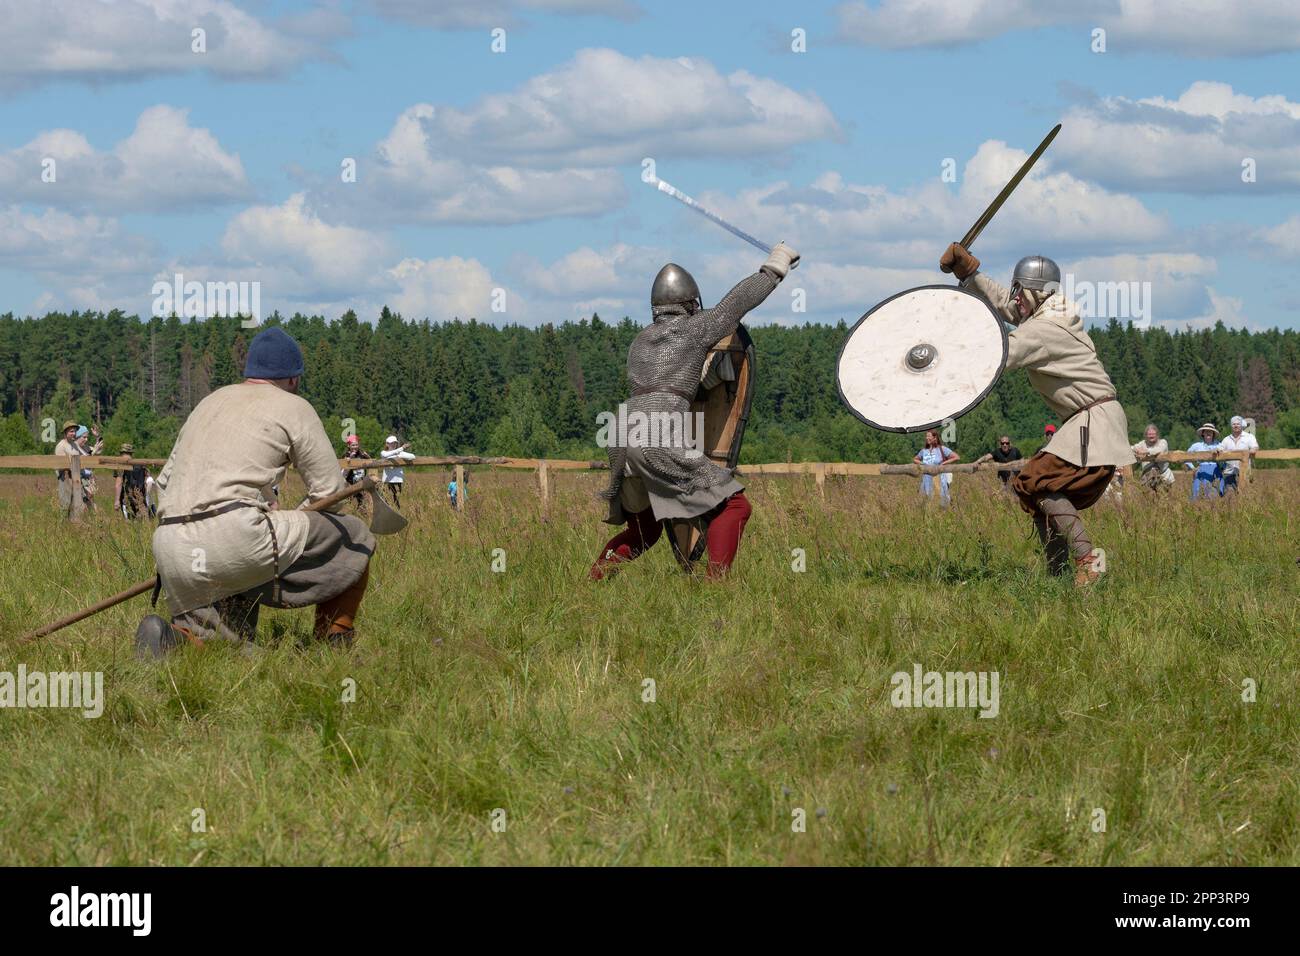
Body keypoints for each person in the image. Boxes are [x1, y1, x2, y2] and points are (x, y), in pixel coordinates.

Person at [133, 326, 375, 656]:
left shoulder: (209, 403)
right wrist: (281, 519)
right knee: (355, 534)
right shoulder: (294, 406)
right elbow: (328, 491)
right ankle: (333, 644)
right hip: (235, 539)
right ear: (293, 378)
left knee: (228, 650)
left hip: (171, 548)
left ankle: (173, 640)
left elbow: (165, 484)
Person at [591, 243, 800, 580]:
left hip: (619, 434)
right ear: (690, 304)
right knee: (734, 506)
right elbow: (738, 303)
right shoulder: (693, 328)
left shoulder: (640, 341)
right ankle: (715, 587)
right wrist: (776, 265)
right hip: (656, 436)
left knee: (644, 532)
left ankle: (592, 583)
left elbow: (671, 382)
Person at [941, 244, 1134, 585]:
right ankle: (1058, 574)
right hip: (1088, 421)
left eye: (1019, 290)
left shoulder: (1046, 330)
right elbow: (1009, 307)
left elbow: (999, 354)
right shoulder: (1048, 316)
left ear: (1033, 293)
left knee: (1035, 481)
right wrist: (970, 275)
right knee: (1035, 490)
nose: (1014, 298)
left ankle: (1089, 562)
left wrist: (945, 351)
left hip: (1092, 422)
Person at [915, 430, 959, 505]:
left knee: (941, 501)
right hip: (926, 480)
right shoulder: (924, 451)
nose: (927, 438)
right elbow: (915, 459)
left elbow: (956, 457)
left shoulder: (942, 449)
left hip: (939, 479)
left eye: (929, 436)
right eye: (926, 436)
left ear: (935, 438)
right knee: (927, 502)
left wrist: (943, 463)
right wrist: (923, 464)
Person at [1218, 415, 1258, 494]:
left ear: (1241, 425)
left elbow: (1255, 447)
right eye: (1233, 424)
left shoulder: (1249, 437)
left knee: (1245, 496)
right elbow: (1220, 448)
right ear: (1231, 426)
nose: (1236, 426)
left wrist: (1253, 450)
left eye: (1238, 424)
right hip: (1229, 472)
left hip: (1245, 472)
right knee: (1230, 496)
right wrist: (1217, 450)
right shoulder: (1226, 439)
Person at [113, 443, 154, 519]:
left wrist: (117, 501)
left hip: (127, 499)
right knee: (143, 522)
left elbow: (118, 483)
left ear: (121, 453)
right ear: (131, 453)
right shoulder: (140, 464)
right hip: (141, 497)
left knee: (129, 521)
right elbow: (149, 480)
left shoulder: (120, 465)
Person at [53, 420, 85, 517]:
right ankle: (63, 527)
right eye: (71, 431)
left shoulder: (74, 445)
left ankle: (74, 527)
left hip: (76, 479)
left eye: (74, 431)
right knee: (65, 506)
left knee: (76, 507)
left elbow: (80, 458)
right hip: (65, 479)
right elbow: (60, 466)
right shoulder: (61, 446)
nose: (73, 433)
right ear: (65, 432)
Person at [1186, 423, 1224, 500]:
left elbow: (1225, 458)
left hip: (1216, 470)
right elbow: (1186, 457)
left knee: (1216, 492)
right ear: (1203, 433)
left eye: (1210, 431)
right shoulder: (1196, 445)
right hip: (1201, 470)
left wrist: (1222, 467)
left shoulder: (1219, 445)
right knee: (1198, 492)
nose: (1208, 433)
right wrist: (1193, 468)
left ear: (1213, 434)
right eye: (1206, 431)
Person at [1131, 424, 1174, 491]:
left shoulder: (1163, 442)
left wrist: (1146, 451)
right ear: (1146, 435)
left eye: (1153, 434)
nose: (1151, 436)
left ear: (1157, 434)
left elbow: (1159, 450)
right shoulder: (1143, 443)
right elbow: (1133, 448)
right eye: (1149, 434)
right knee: (1148, 499)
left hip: (1164, 475)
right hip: (1147, 477)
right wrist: (1136, 450)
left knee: (1164, 498)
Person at [380, 436, 416, 507]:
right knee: (387, 500)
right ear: (387, 444)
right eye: (392, 443)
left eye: (395, 443)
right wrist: (402, 448)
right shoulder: (383, 452)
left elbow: (412, 456)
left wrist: (400, 456)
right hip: (388, 480)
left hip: (398, 480)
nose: (393, 444)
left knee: (397, 500)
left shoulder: (400, 453)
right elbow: (387, 455)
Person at [341, 434, 371, 513]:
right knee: (349, 498)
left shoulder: (361, 454)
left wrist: (367, 456)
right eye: (353, 445)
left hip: (360, 479)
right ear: (349, 445)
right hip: (350, 481)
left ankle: (361, 512)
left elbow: (371, 462)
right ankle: (348, 512)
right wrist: (350, 458)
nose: (355, 447)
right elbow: (343, 467)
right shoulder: (347, 454)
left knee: (361, 498)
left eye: (356, 445)